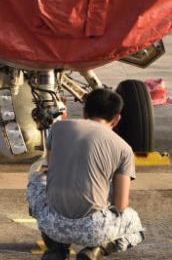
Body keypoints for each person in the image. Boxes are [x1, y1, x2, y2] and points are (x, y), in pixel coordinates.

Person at [27, 88, 145, 260]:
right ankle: (97, 250)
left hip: (52, 223)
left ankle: (56, 248)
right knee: (136, 228)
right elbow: (120, 205)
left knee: (37, 180)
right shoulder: (124, 148)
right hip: (94, 231)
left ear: (84, 111)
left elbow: (51, 169)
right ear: (117, 118)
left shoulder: (58, 129)